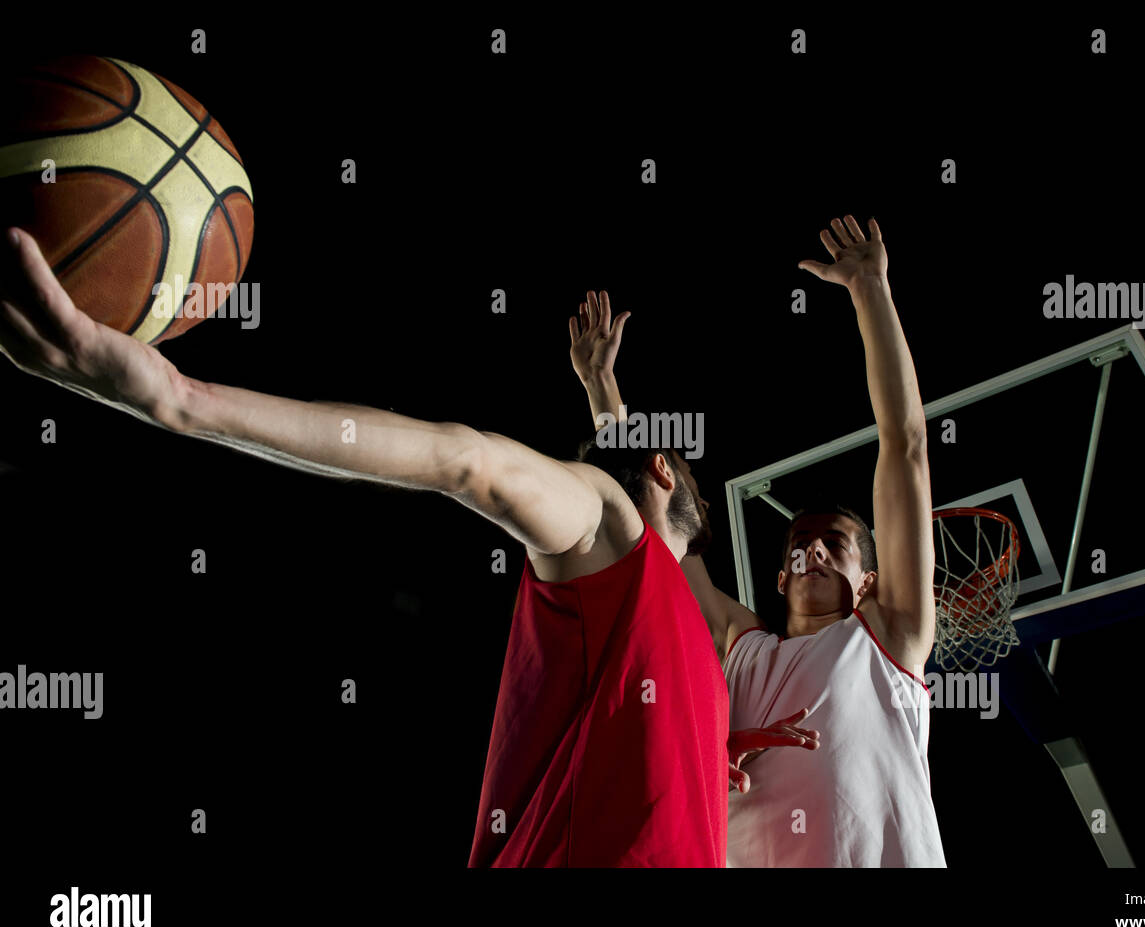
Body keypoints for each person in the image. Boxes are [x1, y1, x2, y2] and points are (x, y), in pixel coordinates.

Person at [0, 228, 806, 867]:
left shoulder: (677, 625)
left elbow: (639, 501)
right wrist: (182, 400)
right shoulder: (613, 537)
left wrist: (705, 762)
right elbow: (467, 461)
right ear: (664, 469)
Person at [568, 216, 946, 867]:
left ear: (870, 583)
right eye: (801, 542)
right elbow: (654, 529)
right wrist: (605, 395)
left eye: (836, 543)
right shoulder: (743, 646)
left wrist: (870, 290)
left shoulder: (890, 638)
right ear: (778, 580)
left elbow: (905, 447)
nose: (815, 550)